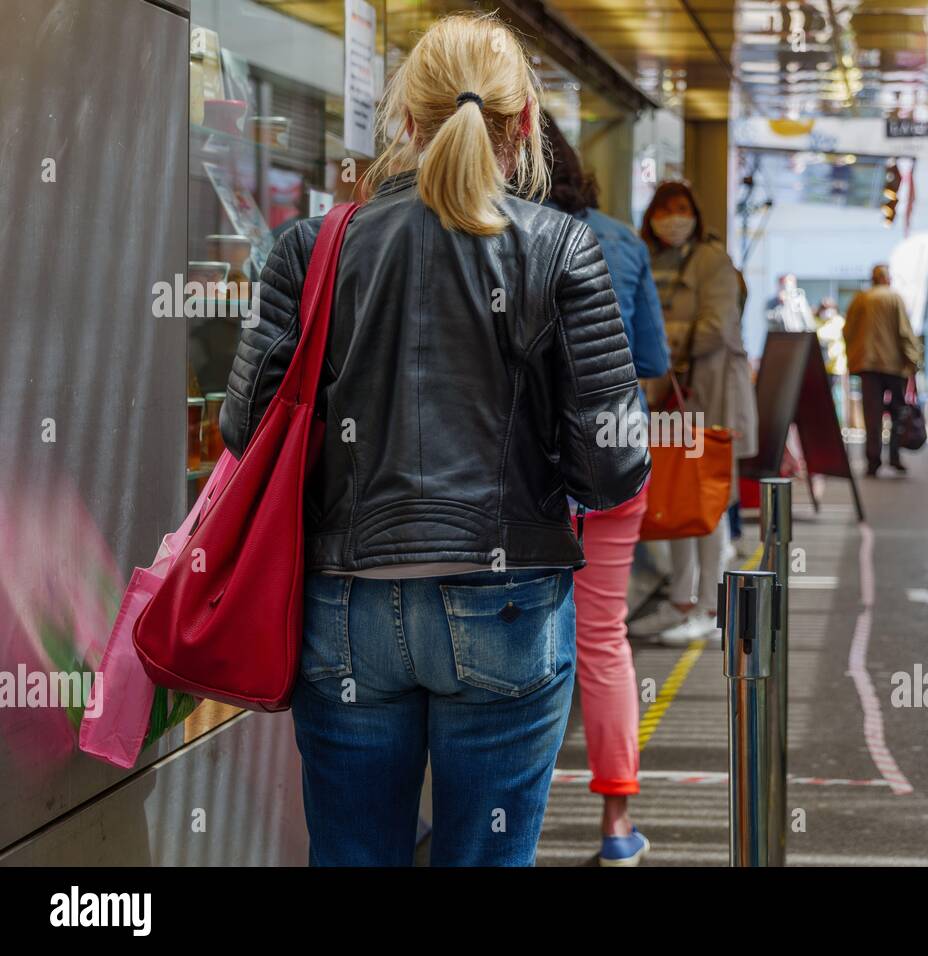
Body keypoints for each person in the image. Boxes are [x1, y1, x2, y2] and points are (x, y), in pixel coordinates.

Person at [218, 13, 649, 866]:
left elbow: (244, 430)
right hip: (508, 609)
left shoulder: (313, 247)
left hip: (343, 611)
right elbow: (612, 467)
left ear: (403, 120)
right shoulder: (562, 249)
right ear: (526, 124)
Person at [540, 115, 668, 864]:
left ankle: (489, 818)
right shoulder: (620, 237)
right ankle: (617, 827)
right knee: (603, 641)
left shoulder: (501, 234)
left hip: (528, 474)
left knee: (509, 632)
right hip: (614, 462)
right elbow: (650, 355)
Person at [630, 181, 758, 646]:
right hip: (667, 396)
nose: (674, 218)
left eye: (682, 208)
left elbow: (715, 327)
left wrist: (658, 348)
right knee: (678, 499)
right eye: (665, 210)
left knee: (709, 502)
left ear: (696, 214)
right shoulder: (645, 254)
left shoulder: (712, 260)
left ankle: (709, 605)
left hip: (706, 393)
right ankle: (680, 600)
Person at [844, 264, 923, 476]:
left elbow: (848, 331)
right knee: (898, 412)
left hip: (867, 365)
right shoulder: (894, 298)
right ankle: (894, 456)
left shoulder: (860, 299)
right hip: (893, 366)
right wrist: (913, 360)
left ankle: (872, 461)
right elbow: (904, 332)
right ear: (887, 279)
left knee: (872, 414)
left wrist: (853, 358)